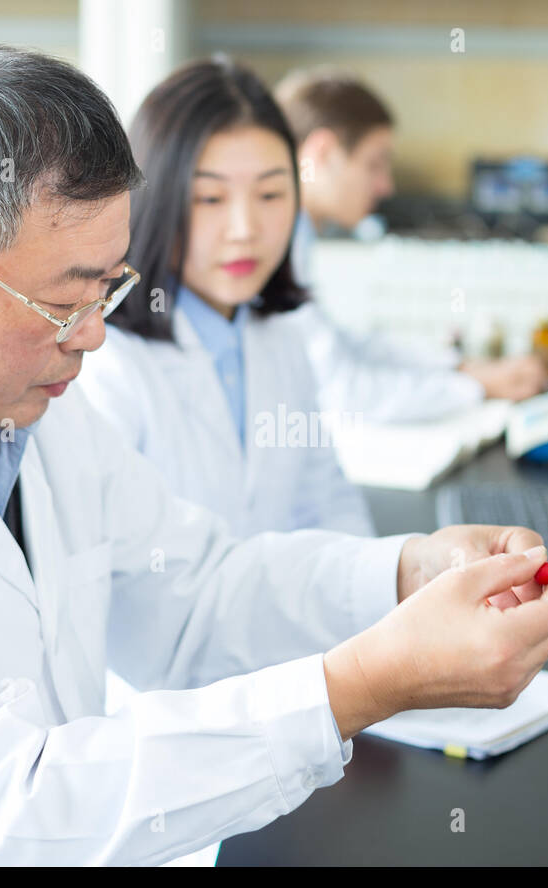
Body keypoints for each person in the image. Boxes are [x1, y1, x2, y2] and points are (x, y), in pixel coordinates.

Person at [0, 43, 548, 866]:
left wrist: (408, 575)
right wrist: (357, 689)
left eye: (113, 285)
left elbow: (194, 593)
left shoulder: (25, 408)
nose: (96, 336)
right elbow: (3, 807)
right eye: (66, 300)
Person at [76, 57, 373, 538]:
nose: (245, 231)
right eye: (210, 199)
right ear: (155, 201)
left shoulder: (282, 339)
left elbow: (328, 509)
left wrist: (398, 590)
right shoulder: (105, 364)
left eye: (271, 195)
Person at [274, 66, 548, 424]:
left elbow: (346, 348)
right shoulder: (275, 245)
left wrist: (463, 368)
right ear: (322, 153)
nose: (385, 186)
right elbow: (345, 392)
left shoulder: (297, 236)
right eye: (374, 165)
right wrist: (475, 386)